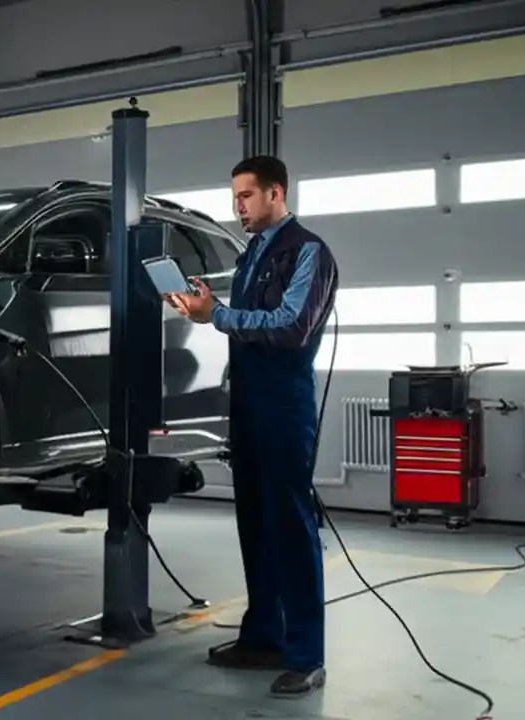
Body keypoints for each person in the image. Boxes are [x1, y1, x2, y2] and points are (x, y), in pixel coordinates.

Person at [165, 155, 338, 698]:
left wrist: (213, 314)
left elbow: (290, 326)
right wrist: (203, 305)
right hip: (248, 405)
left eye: (246, 195)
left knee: (290, 524)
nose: (237, 206)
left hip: (285, 407)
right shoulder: (252, 256)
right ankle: (264, 636)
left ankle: (307, 655)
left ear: (275, 193)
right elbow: (241, 324)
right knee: (256, 526)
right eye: (234, 196)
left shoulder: (307, 251)